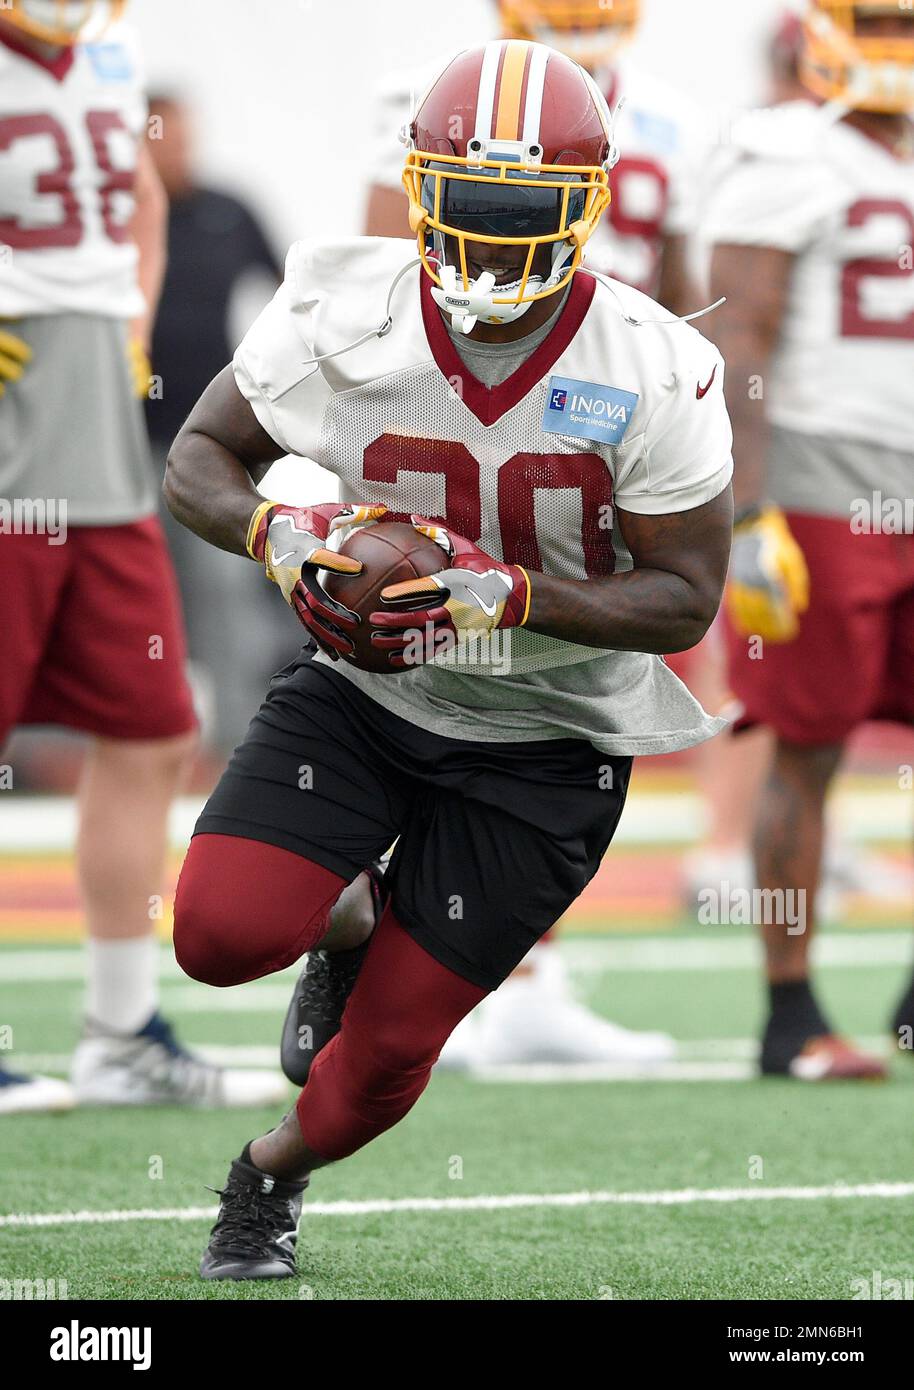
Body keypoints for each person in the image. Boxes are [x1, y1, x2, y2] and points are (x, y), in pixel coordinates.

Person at [165, 40, 734, 1279]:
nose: (488, 240)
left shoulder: (651, 364)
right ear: (417, 185)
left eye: (521, 213)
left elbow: (687, 597)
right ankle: (348, 912)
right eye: (468, 203)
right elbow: (200, 459)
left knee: (368, 1066)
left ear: (584, 208)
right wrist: (283, 529)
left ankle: (263, 1180)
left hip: (547, 734)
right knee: (213, 934)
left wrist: (507, 593)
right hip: (370, 688)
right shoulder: (343, 299)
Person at [354, 0, 705, 1069]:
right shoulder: (430, 94)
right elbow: (379, 279)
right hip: (463, 414)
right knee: (420, 672)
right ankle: (393, 935)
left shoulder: (672, 121)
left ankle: (521, 964)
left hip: (608, 433)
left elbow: (682, 302)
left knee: (555, 692)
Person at [0, 0, 284, 1111]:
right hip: (14, 433)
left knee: (152, 724)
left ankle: (118, 1030)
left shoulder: (107, 49)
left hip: (101, 445)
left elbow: (146, 201)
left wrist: (129, 321)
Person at [707, 0, 914, 1080]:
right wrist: (746, 508)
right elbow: (738, 332)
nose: (891, 44)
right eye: (873, 20)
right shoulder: (785, 149)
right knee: (810, 739)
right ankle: (787, 1010)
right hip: (824, 474)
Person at [144, 94, 287, 751]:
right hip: (124, 441)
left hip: (209, 444)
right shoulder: (126, 215)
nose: (176, 152)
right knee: (136, 600)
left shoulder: (228, 213)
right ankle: (149, 741)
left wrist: (273, 395)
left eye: (181, 137)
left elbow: (296, 298)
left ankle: (238, 745)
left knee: (224, 593)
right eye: (161, 139)